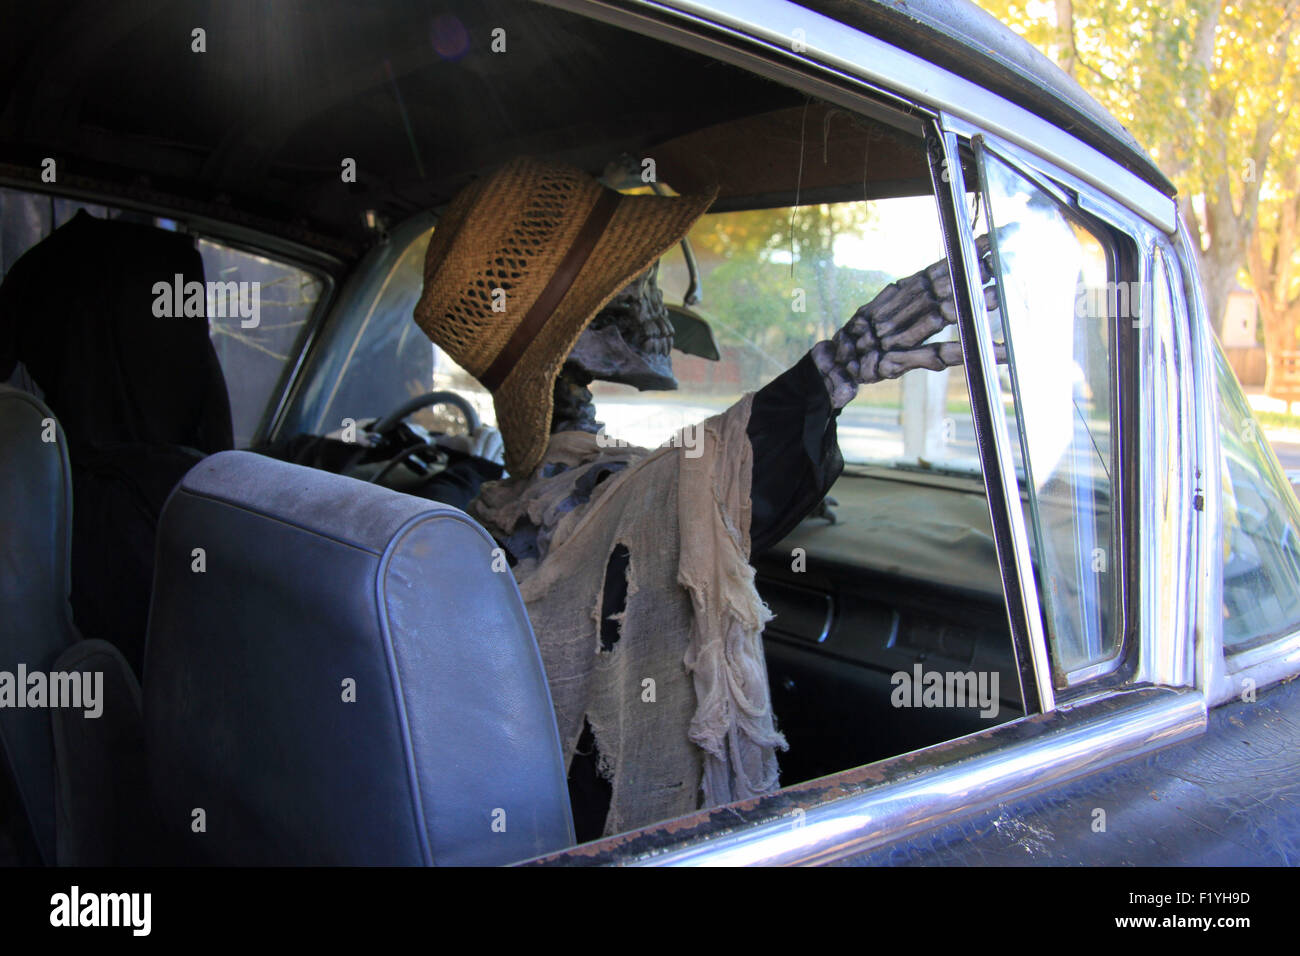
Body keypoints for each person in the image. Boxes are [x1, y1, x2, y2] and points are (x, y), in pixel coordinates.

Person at [412, 156, 993, 839]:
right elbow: (683, 499)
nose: (660, 302)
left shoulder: (541, 492)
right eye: (628, 287)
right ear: (572, 338)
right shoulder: (575, 516)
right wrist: (836, 371)